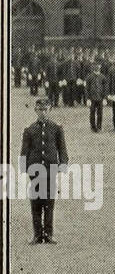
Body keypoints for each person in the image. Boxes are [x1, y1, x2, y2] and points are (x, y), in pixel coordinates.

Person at [22, 97, 68, 244]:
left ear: (50, 110)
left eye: (45, 110)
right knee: (35, 202)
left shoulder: (56, 128)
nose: (43, 113)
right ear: (36, 111)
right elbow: (24, 151)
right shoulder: (29, 130)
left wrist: (63, 164)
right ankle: (37, 234)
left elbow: (62, 148)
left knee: (49, 202)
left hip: (50, 170)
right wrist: (24, 170)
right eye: (40, 110)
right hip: (34, 170)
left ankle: (48, 234)